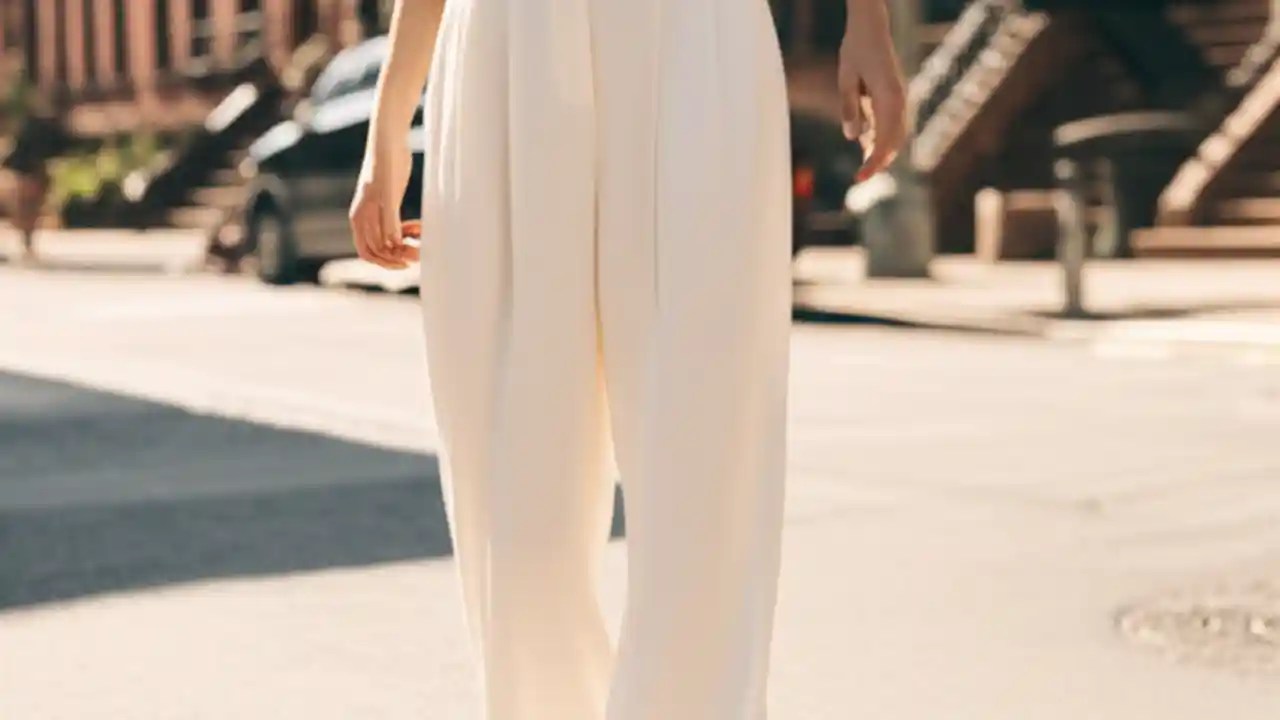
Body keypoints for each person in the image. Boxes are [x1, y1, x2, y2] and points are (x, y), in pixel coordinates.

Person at [348, 0, 906, 717]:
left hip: (696, 40)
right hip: (508, 47)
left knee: (707, 449)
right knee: (518, 485)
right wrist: (390, 121)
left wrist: (869, 22)